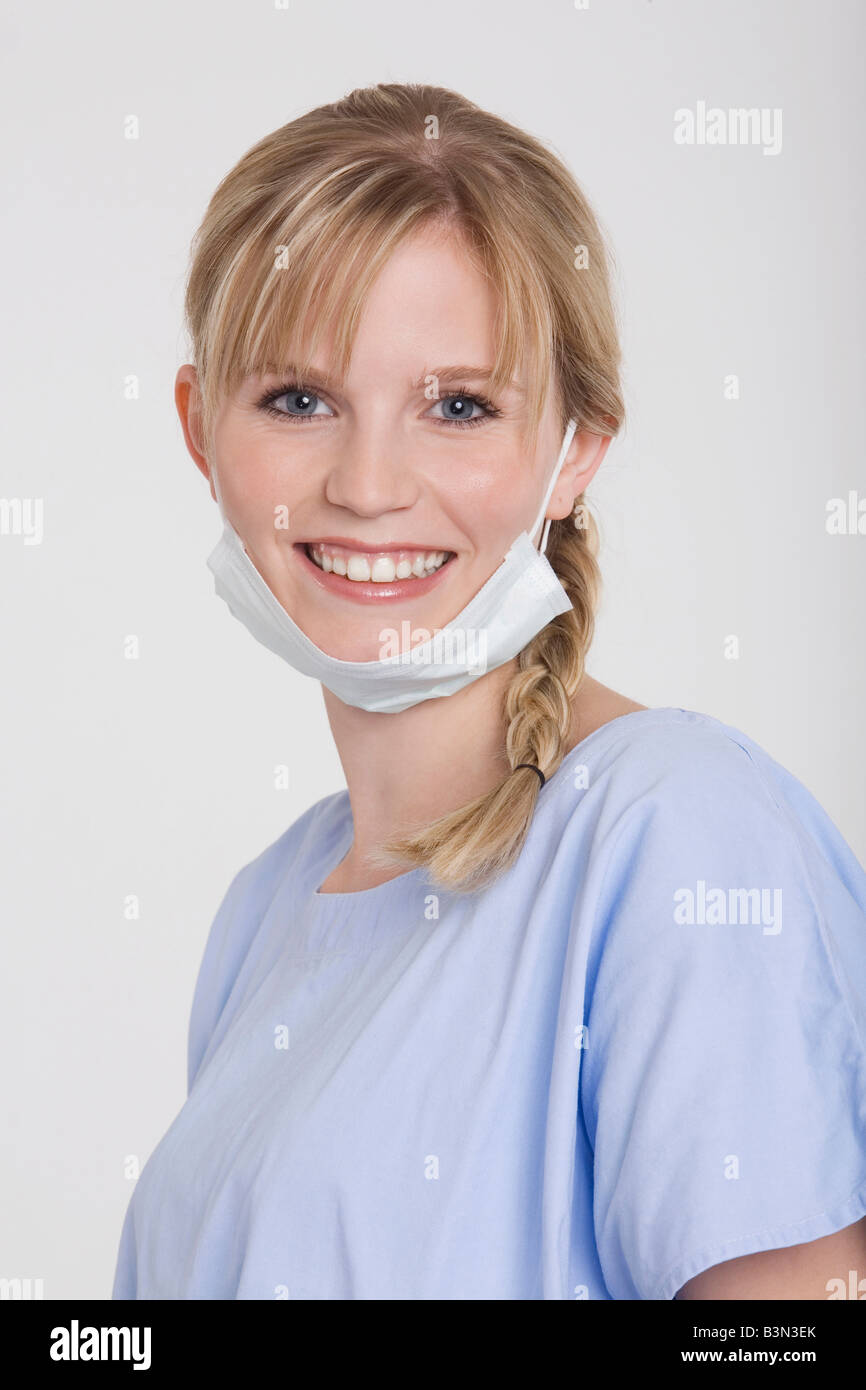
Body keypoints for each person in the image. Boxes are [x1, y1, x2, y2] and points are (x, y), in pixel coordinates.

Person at [111, 82, 866, 1300]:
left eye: (457, 406)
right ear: (204, 431)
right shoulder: (262, 913)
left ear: (576, 450)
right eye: (297, 400)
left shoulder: (675, 832)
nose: (366, 482)